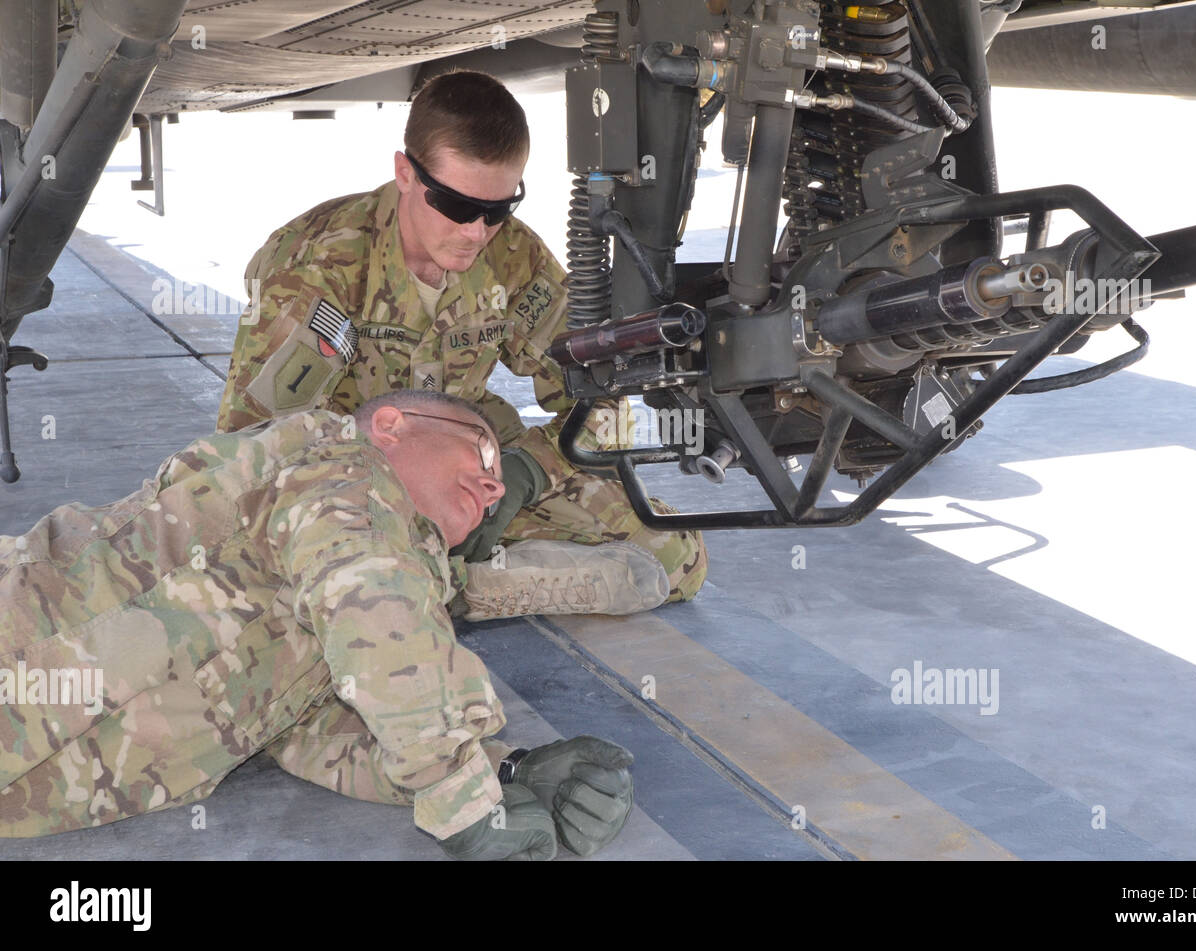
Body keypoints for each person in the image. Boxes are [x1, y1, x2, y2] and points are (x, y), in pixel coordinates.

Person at [0, 390, 659, 859]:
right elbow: (372, 595)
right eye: (482, 454)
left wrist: (506, 771)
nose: (493, 490)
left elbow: (311, 731)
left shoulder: (332, 593)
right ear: (392, 424)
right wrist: (459, 795)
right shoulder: (334, 467)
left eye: (496, 489)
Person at [215, 69, 708, 603]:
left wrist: (524, 475)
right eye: (456, 206)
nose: (476, 232)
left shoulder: (512, 256)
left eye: (497, 209)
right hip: (350, 477)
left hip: (473, 465)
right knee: (264, 568)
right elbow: (254, 447)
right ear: (406, 173)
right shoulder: (321, 264)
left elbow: (605, 402)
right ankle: (436, 580)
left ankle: (425, 584)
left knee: (673, 555)